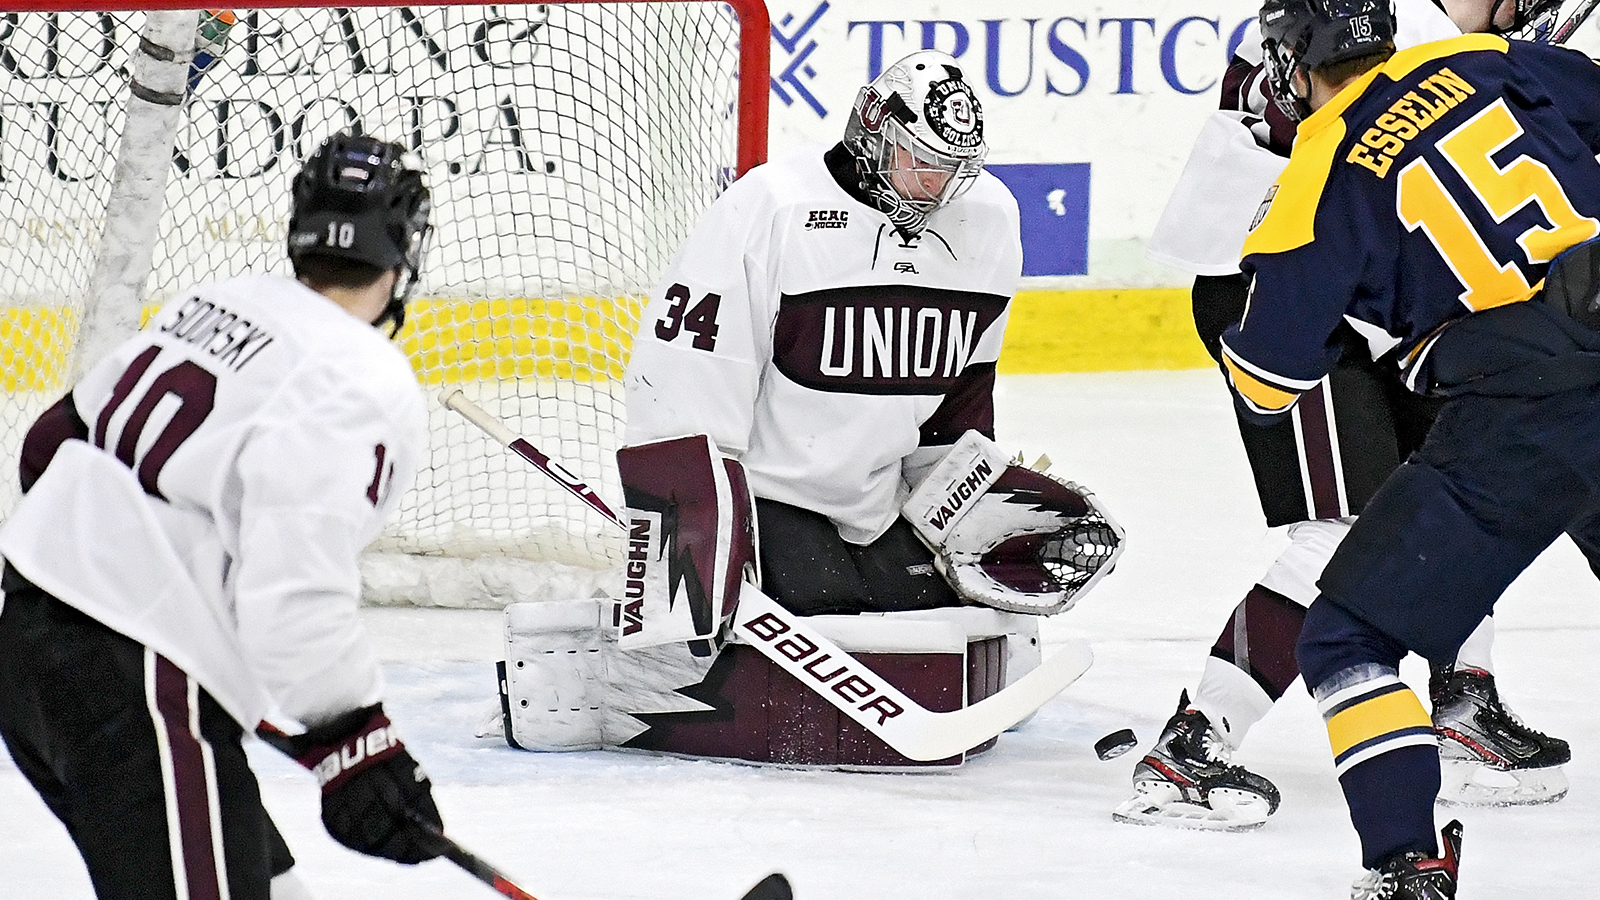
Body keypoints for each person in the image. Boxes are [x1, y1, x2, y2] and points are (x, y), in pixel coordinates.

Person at [1119, 0, 1571, 831]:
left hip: (1367, 289)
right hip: (1286, 296)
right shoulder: (1412, 40)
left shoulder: (1387, 29)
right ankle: (1194, 743)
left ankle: (1464, 702)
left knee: (1455, 484)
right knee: (1342, 532)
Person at [0, 133, 444, 900]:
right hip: (139, 682)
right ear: (402, 252)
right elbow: (294, 590)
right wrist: (355, 736)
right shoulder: (360, 377)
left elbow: (49, 441)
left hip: (25, 642)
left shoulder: (219, 302)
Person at [1226, 1, 1600, 894]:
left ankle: (1406, 865)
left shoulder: (1319, 170)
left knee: (1346, 639)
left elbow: (1268, 382)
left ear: (1294, 63)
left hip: (1521, 418)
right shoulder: (1487, 61)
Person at [620, 48, 1119, 640]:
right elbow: (687, 380)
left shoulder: (987, 217)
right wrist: (695, 533)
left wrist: (959, 499)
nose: (935, 185)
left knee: (950, 628)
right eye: (921, 161)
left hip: (880, 508)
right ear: (874, 129)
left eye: (952, 169)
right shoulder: (774, 206)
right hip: (769, 500)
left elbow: (964, 390)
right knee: (830, 623)